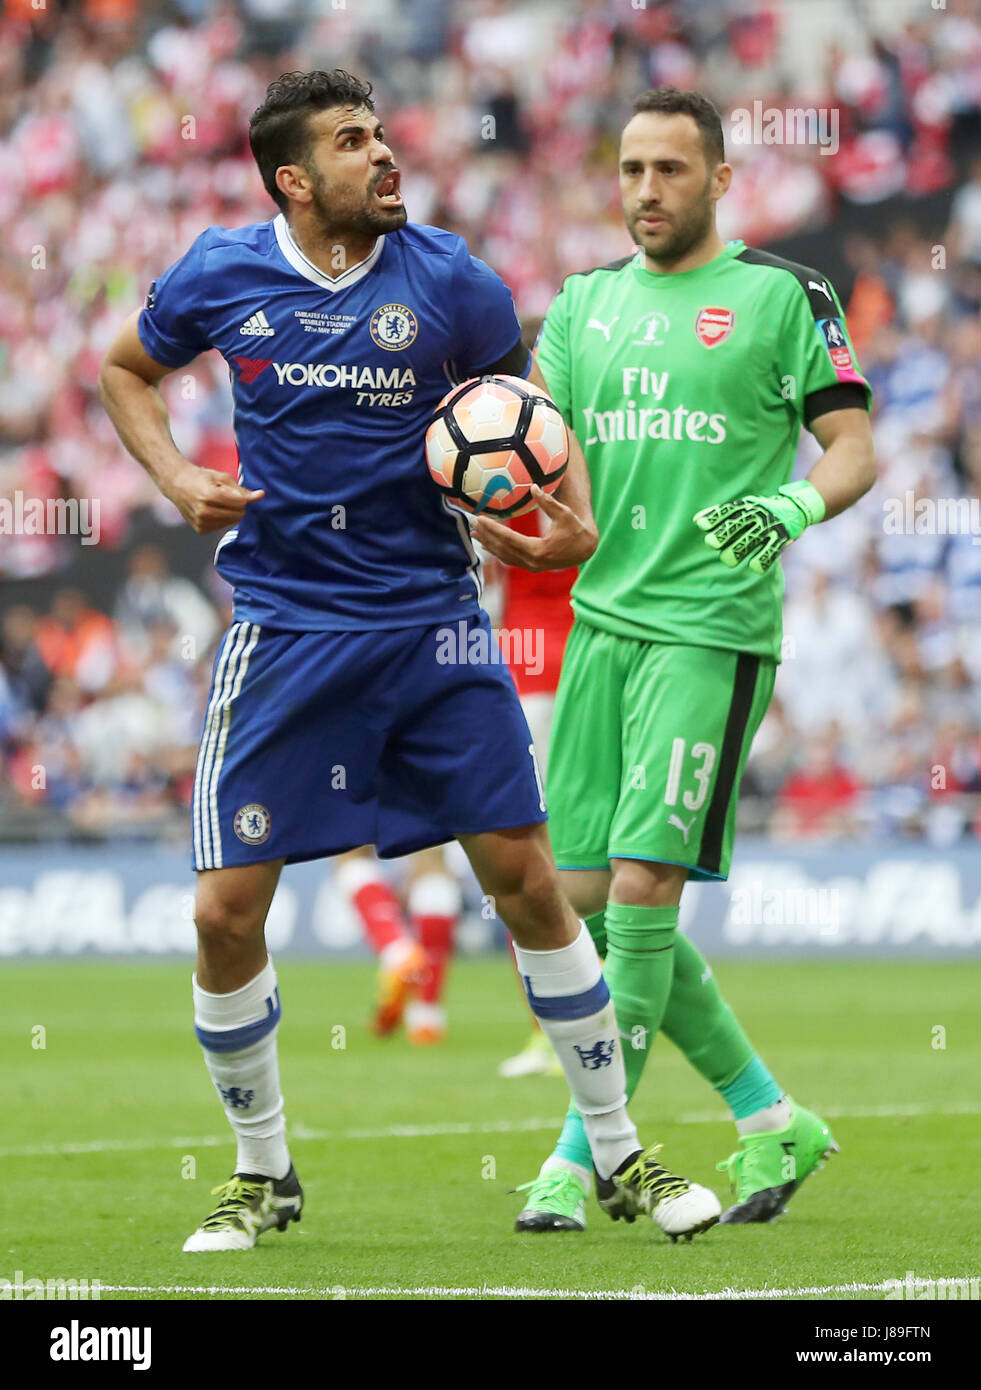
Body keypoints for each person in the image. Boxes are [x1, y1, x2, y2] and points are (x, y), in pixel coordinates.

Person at [98, 68, 721, 1252]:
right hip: (284, 632)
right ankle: (261, 1170)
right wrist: (176, 476)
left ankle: (620, 1154)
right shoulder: (222, 271)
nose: (383, 155)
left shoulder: (452, 279)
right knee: (226, 914)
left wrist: (573, 520)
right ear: (294, 179)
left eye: (382, 133)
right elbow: (125, 368)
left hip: (436, 626)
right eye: (351, 142)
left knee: (531, 886)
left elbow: (528, 414)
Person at [473, 86, 876, 1232]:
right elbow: (540, 460)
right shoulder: (582, 305)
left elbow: (852, 447)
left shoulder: (784, 295)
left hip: (711, 627)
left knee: (648, 887)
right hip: (601, 629)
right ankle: (768, 1118)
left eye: (671, 170)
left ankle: (581, 1156)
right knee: (583, 913)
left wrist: (793, 506)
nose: (647, 190)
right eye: (632, 169)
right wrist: (515, 513)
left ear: (721, 181)